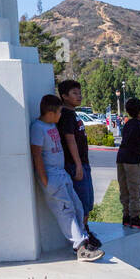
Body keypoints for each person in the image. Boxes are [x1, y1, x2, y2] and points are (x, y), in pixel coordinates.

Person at [30, 94, 103, 261]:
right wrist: (45, 180)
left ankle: (84, 240)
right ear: (50, 112)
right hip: (52, 176)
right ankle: (80, 248)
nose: (60, 115)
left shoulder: (51, 125)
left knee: (77, 207)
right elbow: (37, 155)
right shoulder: (38, 128)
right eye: (59, 112)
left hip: (62, 173)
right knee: (66, 212)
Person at [57, 78, 101, 249]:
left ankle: (86, 230)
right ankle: (83, 236)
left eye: (80, 92)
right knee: (82, 202)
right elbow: (70, 140)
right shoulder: (66, 115)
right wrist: (77, 164)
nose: (79, 96)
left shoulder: (73, 113)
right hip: (76, 165)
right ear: (64, 96)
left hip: (84, 163)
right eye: (74, 93)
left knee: (88, 201)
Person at [116, 97, 140, 229]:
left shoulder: (127, 124)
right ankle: (135, 217)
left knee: (124, 189)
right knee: (134, 190)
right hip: (133, 161)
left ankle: (126, 216)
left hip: (120, 159)